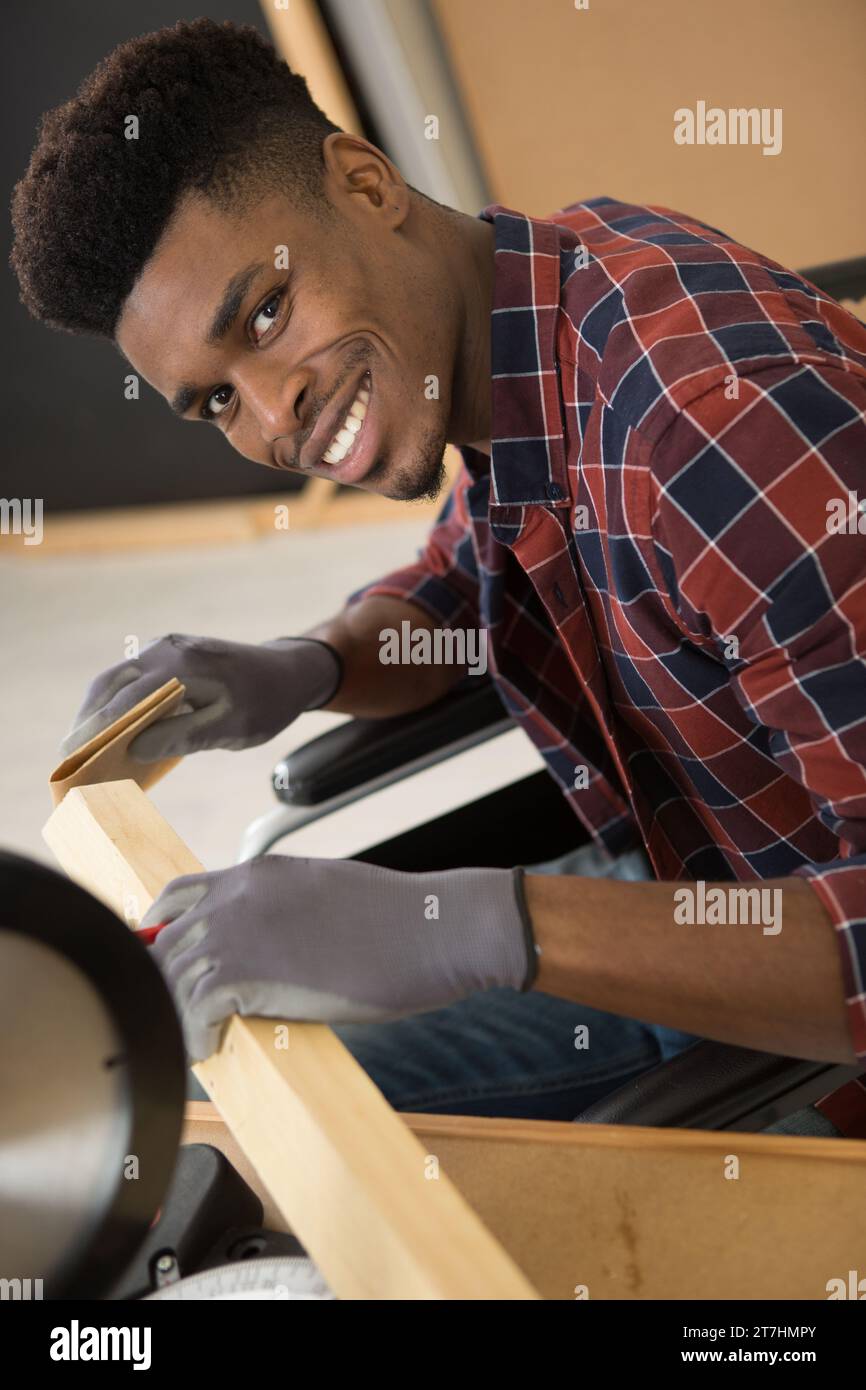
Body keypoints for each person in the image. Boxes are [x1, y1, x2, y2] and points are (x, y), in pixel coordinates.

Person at [12, 19, 866, 1137]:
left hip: (797, 1010)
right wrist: (310, 664)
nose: (273, 416)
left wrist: (466, 926)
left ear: (365, 184)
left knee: (244, 1141)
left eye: (267, 315)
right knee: (184, 1080)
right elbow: (466, 577)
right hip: (682, 873)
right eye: (217, 398)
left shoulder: (709, 432)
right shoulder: (533, 312)